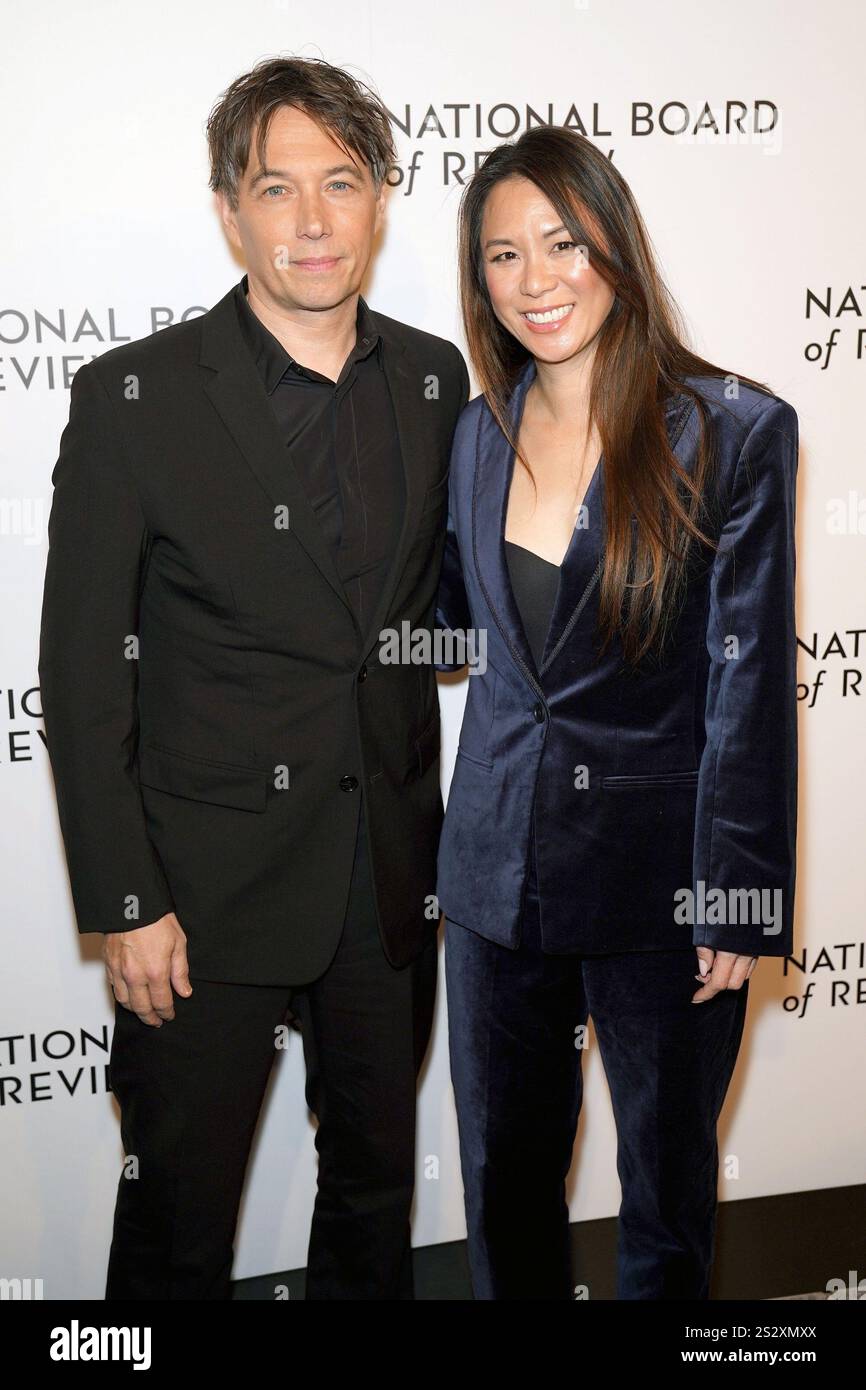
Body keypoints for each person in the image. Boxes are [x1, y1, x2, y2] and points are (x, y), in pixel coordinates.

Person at [38, 55, 468, 1300]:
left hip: (389, 880)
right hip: (195, 902)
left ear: (383, 198)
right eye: (277, 189)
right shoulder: (134, 399)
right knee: (176, 1220)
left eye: (341, 182)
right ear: (230, 209)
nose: (315, 220)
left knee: (377, 1193)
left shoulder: (438, 379)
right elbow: (81, 671)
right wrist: (122, 898)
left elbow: (431, 620)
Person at [435, 124, 798, 1300]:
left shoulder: (732, 429)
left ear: (614, 244)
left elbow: (744, 683)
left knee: (663, 1204)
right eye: (501, 257)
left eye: (561, 243)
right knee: (502, 1191)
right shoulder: (474, 434)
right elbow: (459, 640)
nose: (534, 281)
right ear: (476, 278)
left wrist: (738, 896)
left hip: (663, 890)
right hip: (494, 881)